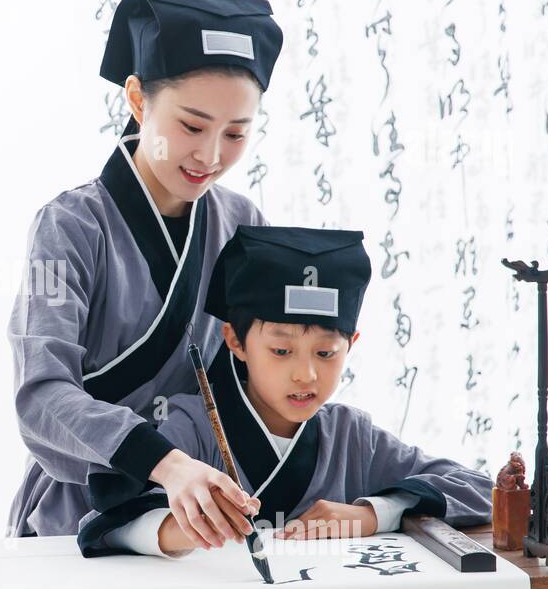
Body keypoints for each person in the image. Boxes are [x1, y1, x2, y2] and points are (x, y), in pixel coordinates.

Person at [7, 0, 284, 539]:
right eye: (191, 126)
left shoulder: (245, 225)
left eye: (236, 133)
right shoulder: (68, 228)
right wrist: (162, 459)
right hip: (82, 516)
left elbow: (270, 379)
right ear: (137, 99)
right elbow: (42, 394)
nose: (210, 156)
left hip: (206, 518)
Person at [77, 225, 519, 558]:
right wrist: (180, 528)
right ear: (235, 341)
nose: (305, 374)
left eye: (326, 353)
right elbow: (107, 521)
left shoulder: (351, 436)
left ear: (352, 345)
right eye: (282, 350)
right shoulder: (193, 425)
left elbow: (477, 488)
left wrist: (370, 515)